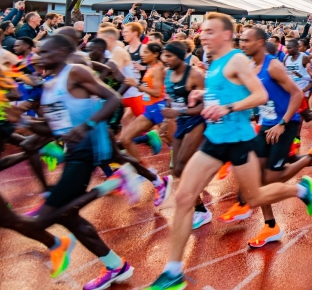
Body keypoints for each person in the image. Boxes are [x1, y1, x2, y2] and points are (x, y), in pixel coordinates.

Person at [144, 13, 312, 290]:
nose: (203, 35)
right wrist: (202, 96)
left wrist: (227, 108)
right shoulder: (213, 62)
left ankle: (301, 190)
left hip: (238, 140)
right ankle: (173, 271)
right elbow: (225, 92)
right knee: (184, 197)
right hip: (215, 139)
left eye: (210, 31)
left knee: (255, 196)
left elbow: (259, 96)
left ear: (226, 35)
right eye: (202, 31)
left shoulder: (236, 59)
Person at [32, 35, 141, 289]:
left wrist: (86, 125)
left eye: (46, 52)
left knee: (44, 218)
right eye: (39, 52)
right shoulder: (49, 83)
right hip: (73, 150)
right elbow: (53, 128)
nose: (40, 56)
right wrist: (20, 122)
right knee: (69, 216)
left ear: (62, 51)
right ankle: (115, 265)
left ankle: (112, 184)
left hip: (87, 149)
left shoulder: (75, 72)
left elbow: (113, 98)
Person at [241, 28, 312, 247]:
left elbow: (297, 94)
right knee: (258, 180)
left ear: (260, 42)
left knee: (271, 180)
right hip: (266, 124)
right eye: (240, 40)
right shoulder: (250, 67)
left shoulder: (273, 66)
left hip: (286, 124)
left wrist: (282, 123)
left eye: (246, 40)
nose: (242, 44)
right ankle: (270, 226)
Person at [160, 42, 213, 228]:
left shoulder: (195, 74)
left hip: (196, 121)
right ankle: (200, 207)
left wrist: (179, 112)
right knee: (176, 169)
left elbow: (206, 103)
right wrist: (166, 120)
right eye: (164, 55)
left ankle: (200, 209)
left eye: (169, 56)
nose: (165, 59)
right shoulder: (167, 74)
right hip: (181, 121)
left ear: (181, 56)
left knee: (182, 165)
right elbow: (171, 99)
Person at [116, 42, 173, 205]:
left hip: (159, 109)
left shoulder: (158, 69)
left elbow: (156, 92)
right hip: (149, 110)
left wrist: (137, 85)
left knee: (176, 145)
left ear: (155, 54)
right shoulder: (149, 68)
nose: (142, 54)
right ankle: (145, 170)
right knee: (125, 139)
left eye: (146, 52)